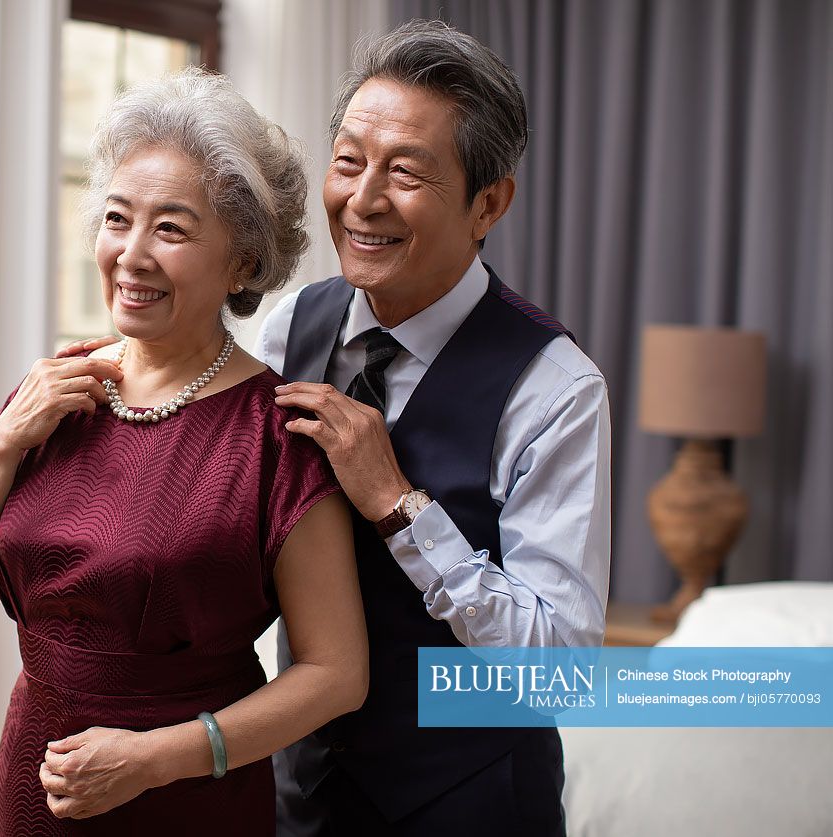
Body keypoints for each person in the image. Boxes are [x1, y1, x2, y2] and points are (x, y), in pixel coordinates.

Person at [0, 68, 368, 837]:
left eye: (170, 228)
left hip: (190, 798)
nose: (130, 254)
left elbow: (337, 674)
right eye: (117, 219)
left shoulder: (276, 435)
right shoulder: (52, 391)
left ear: (242, 260)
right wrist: (0, 447)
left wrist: (154, 759)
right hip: (35, 790)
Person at [255, 19, 612, 837]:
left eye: (405, 171)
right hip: (300, 793)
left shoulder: (555, 388)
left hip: (474, 804)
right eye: (348, 161)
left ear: (489, 203)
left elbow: (561, 670)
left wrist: (399, 505)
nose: (363, 199)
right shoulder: (286, 330)